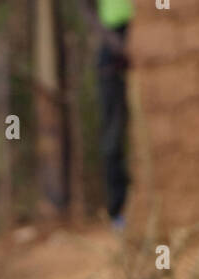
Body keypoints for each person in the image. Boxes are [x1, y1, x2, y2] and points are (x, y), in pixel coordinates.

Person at [82, 0, 133, 228]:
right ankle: (118, 210)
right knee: (113, 134)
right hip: (112, 46)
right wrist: (116, 44)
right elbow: (87, 10)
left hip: (140, 39)